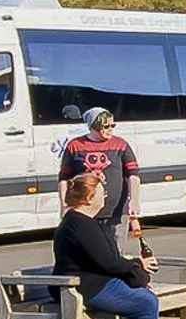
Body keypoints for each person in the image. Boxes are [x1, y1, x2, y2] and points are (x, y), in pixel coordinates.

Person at [54, 172, 171, 319]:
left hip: (91, 282)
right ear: (89, 198)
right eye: (102, 192)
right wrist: (137, 266)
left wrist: (134, 269)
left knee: (143, 295)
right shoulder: (80, 225)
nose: (105, 196)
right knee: (146, 302)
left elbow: (107, 259)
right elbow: (110, 262)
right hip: (86, 287)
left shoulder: (79, 221)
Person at [58, 106, 141, 253]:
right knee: (89, 252)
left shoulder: (120, 145)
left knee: (116, 252)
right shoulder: (75, 146)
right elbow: (64, 178)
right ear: (93, 126)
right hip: (85, 210)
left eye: (112, 125)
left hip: (116, 211)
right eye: (106, 126)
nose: (110, 129)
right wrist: (65, 205)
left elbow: (133, 175)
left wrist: (134, 201)